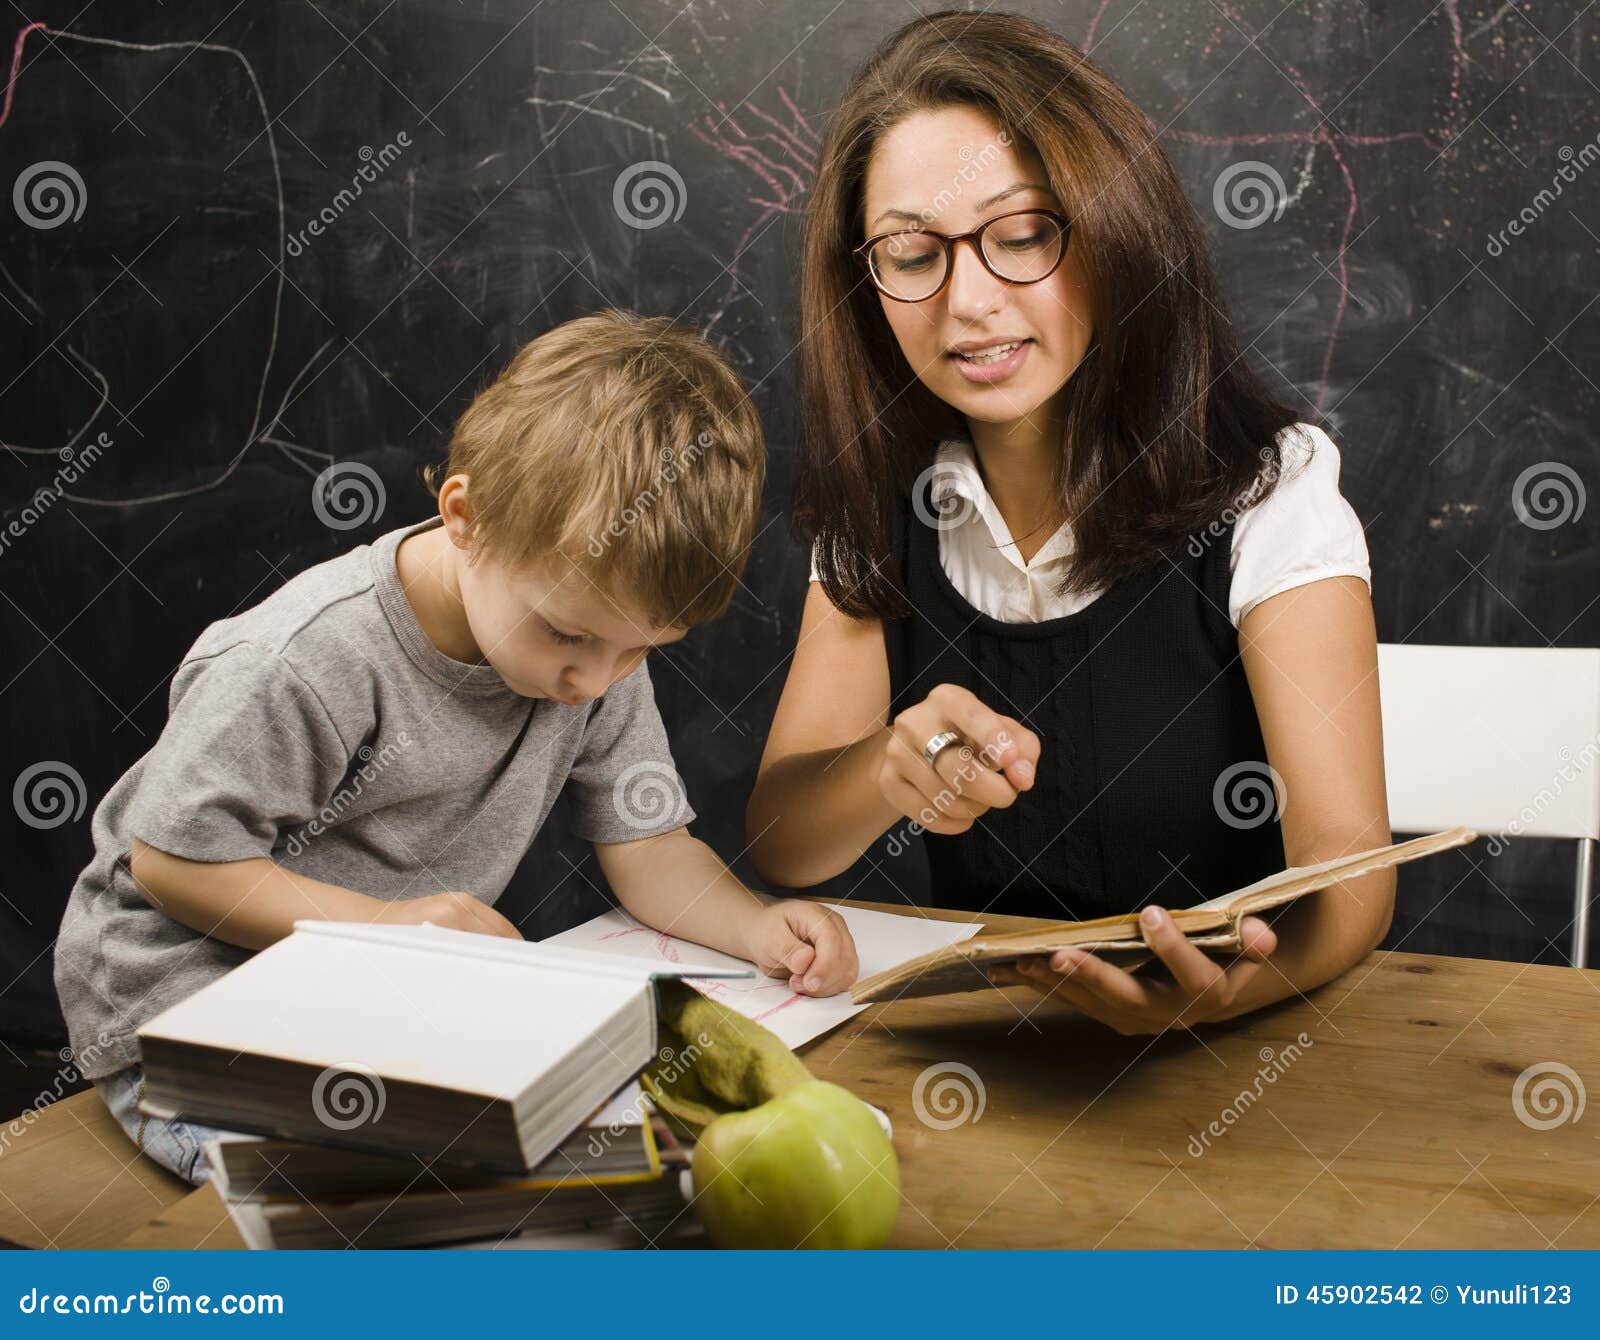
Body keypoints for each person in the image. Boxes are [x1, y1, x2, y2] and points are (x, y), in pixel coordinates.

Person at [55, 310, 859, 1184]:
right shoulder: (306, 661)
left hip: (377, 1000)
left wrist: (755, 924)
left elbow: (651, 849)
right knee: (368, 1201)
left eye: (640, 650)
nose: (595, 679)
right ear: (467, 517)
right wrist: (388, 929)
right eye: (569, 635)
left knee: (587, 1155)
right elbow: (170, 864)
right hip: (190, 1011)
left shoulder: (598, 651)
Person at [746, 12, 1390, 1035]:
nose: (967, 301)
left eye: (1020, 236)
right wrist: (882, 771)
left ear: (1113, 229)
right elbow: (784, 840)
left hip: (1238, 1057)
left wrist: (1218, 995)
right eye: (911, 253)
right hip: (990, 1058)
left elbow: (1348, 872)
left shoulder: (1271, 488)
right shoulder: (886, 500)